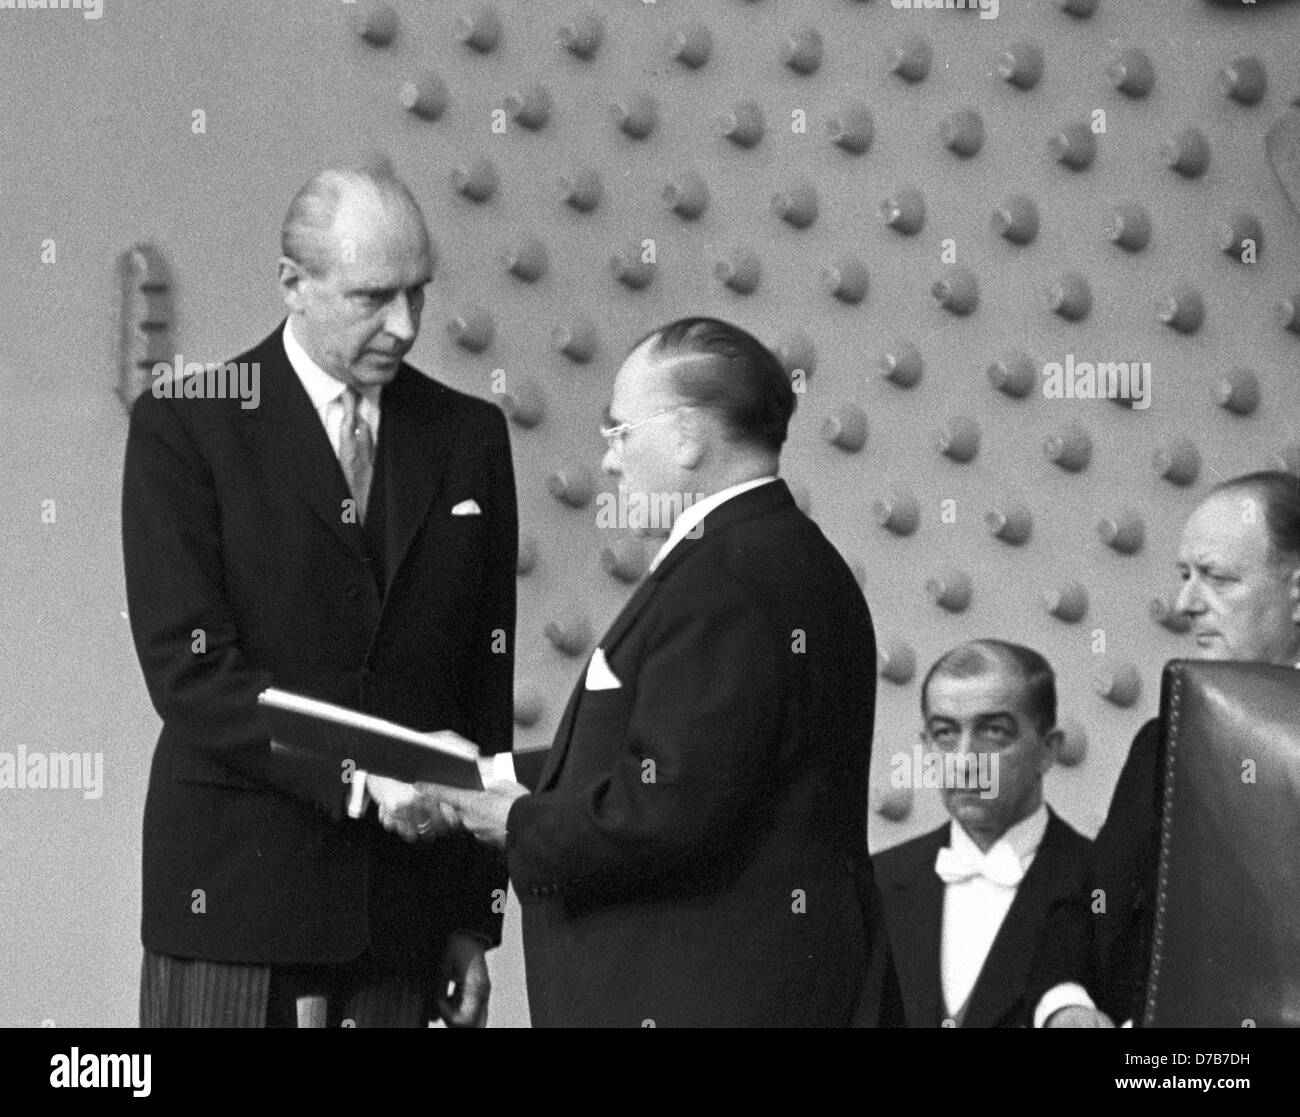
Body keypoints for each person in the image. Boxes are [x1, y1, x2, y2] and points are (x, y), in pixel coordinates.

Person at [122, 159, 517, 1027]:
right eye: (374, 297)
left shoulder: (470, 436)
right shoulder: (186, 426)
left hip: (407, 915)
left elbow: (483, 680)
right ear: (292, 285)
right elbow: (191, 674)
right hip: (236, 905)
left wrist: (473, 916)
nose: (407, 325)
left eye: (418, 291)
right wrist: (365, 776)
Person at [414, 317, 879, 1027]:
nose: (607, 462)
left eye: (619, 433)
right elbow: (672, 759)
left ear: (687, 435)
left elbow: (663, 811)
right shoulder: (783, 557)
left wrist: (511, 819)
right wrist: (486, 769)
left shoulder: (724, 579)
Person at [1034, 470, 1300, 1027]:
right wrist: (1066, 1007)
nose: (1184, 603)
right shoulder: (1165, 741)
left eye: (1216, 577)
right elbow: (1088, 909)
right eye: (1185, 575)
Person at [859, 641, 1091, 1028]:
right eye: (945, 733)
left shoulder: (1102, 883)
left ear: (1048, 751)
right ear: (925, 748)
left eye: (994, 732)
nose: (965, 761)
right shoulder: (878, 881)